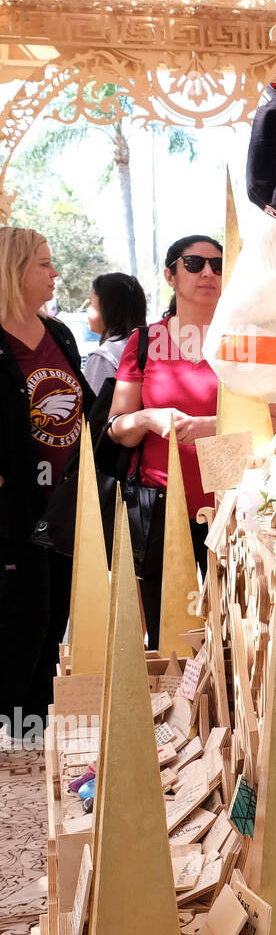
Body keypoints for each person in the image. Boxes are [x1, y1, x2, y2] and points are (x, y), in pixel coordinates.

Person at [0, 227, 93, 746]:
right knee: (20, 617)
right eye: (43, 264)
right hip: (13, 509)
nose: (55, 273)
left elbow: (82, 405)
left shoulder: (59, 335)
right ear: (14, 271)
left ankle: (32, 732)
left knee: (55, 616)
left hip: (65, 504)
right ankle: (12, 727)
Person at [107, 234, 222, 649]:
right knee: (167, 637)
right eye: (194, 264)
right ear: (170, 276)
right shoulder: (144, 342)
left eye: (217, 265)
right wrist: (146, 418)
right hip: (158, 507)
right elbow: (116, 426)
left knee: (233, 635)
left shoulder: (241, 339)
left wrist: (215, 425)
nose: (207, 273)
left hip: (228, 510)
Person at [83, 272, 148, 395]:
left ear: (109, 308)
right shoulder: (151, 345)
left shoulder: (104, 357)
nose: (87, 309)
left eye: (91, 302)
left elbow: (98, 405)